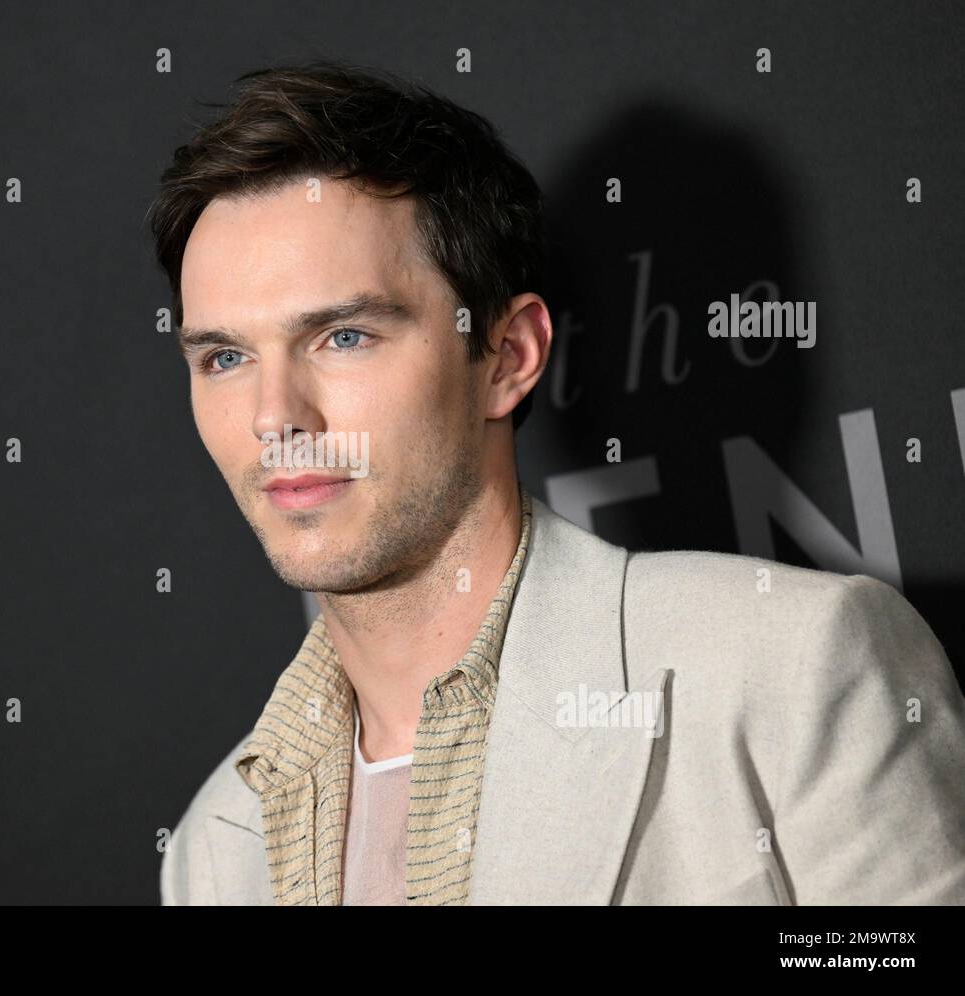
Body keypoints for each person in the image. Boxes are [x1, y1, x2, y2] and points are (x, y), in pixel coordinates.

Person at [147, 60, 965, 905]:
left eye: (344, 337)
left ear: (508, 358)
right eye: (225, 357)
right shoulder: (216, 844)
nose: (274, 418)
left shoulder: (790, 673)